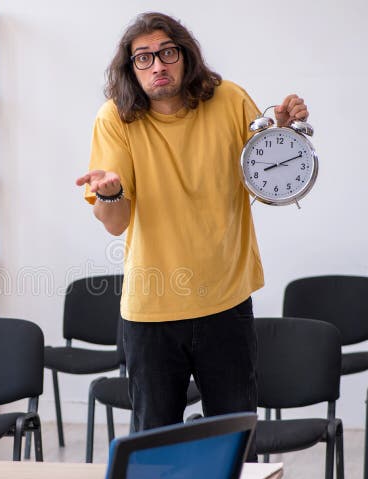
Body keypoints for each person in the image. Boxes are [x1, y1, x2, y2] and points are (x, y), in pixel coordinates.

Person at [76, 12, 309, 435]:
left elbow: (268, 182)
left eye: (166, 52)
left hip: (225, 301)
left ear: (185, 55)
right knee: (154, 445)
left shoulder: (231, 100)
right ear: (131, 69)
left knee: (235, 444)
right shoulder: (116, 118)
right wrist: (109, 192)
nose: (158, 66)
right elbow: (115, 223)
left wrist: (282, 131)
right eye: (143, 58)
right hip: (152, 311)